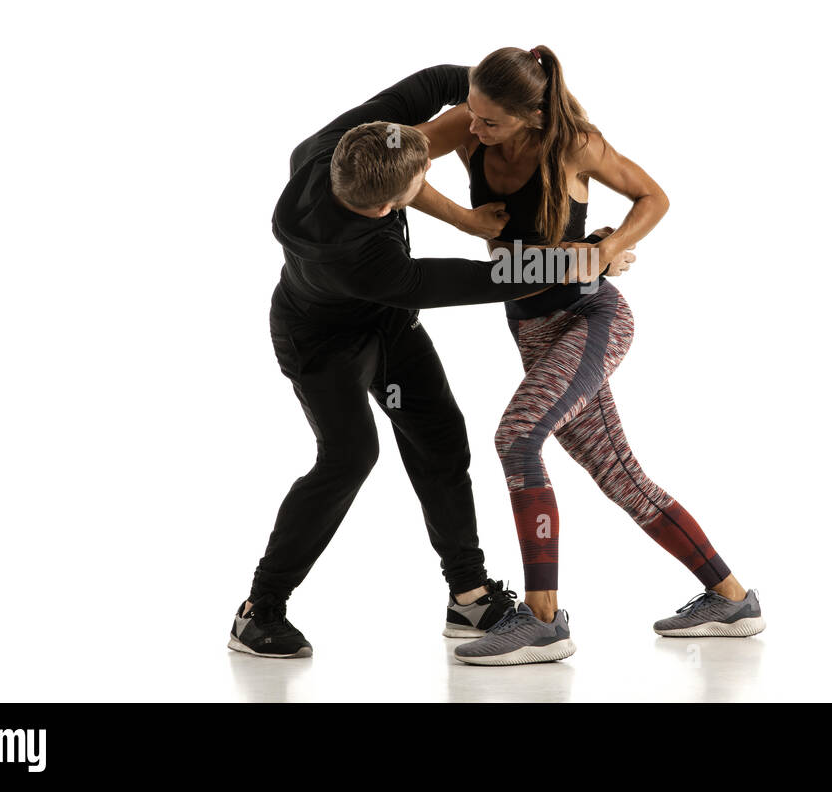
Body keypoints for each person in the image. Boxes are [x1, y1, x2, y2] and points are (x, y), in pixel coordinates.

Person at [228, 64, 630, 658]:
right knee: (350, 456)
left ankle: (468, 595)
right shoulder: (367, 263)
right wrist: (580, 260)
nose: (450, 155)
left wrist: (508, 90)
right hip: (322, 343)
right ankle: (259, 609)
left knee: (440, 438)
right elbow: (485, 277)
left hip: (388, 327)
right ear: (392, 203)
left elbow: (433, 83)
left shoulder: (337, 147)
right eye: (424, 178)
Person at [407, 47, 766, 666]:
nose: (474, 128)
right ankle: (732, 599)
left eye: (491, 121)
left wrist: (609, 249)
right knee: (620, 477)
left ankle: (543, 621)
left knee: (517, 437)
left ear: (531, 115)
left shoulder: (575, 144)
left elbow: (653, 197)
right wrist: (466, 219)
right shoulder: (470, 130)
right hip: (532, 330)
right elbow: (401, 158)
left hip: (592, 318)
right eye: (471, 112)